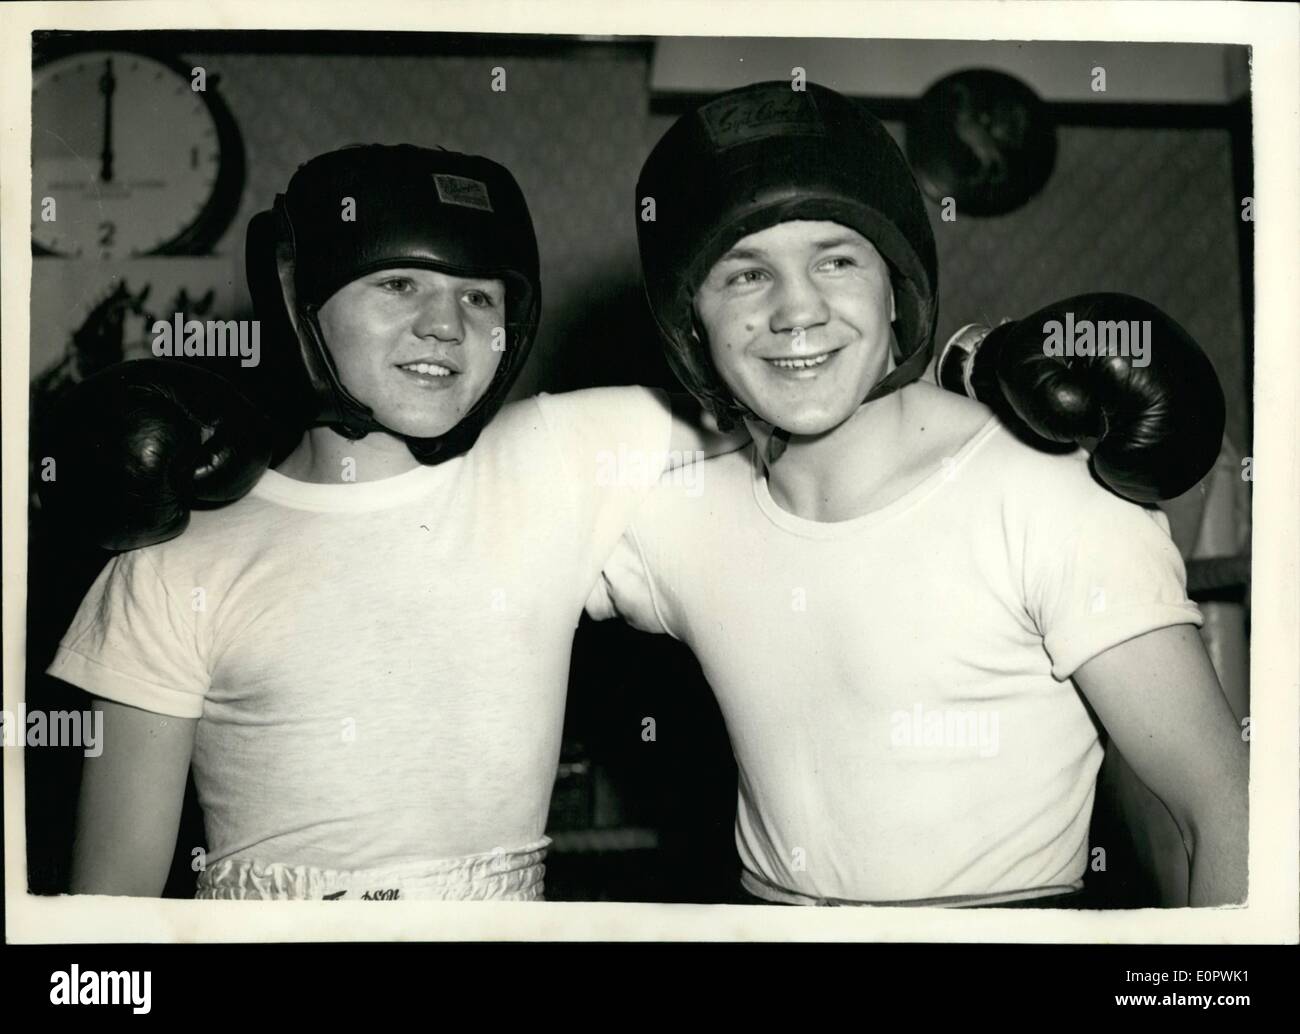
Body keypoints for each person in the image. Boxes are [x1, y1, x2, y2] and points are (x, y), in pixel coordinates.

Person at [42, 112, 1229, 901]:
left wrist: (992, 360)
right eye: (395, 285)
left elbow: (806, 384)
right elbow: (102, 913)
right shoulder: (177, 552)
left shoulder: (572, 451)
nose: (441, 328)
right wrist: (229, 419)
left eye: (474, 294)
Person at [587, 80, 1247, 907]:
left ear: (895, 287)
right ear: (693, 324)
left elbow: (1222, 808)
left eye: (836, 260)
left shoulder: (1050, 499)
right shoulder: (673, 517)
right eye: (746, 274)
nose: (798, 310)